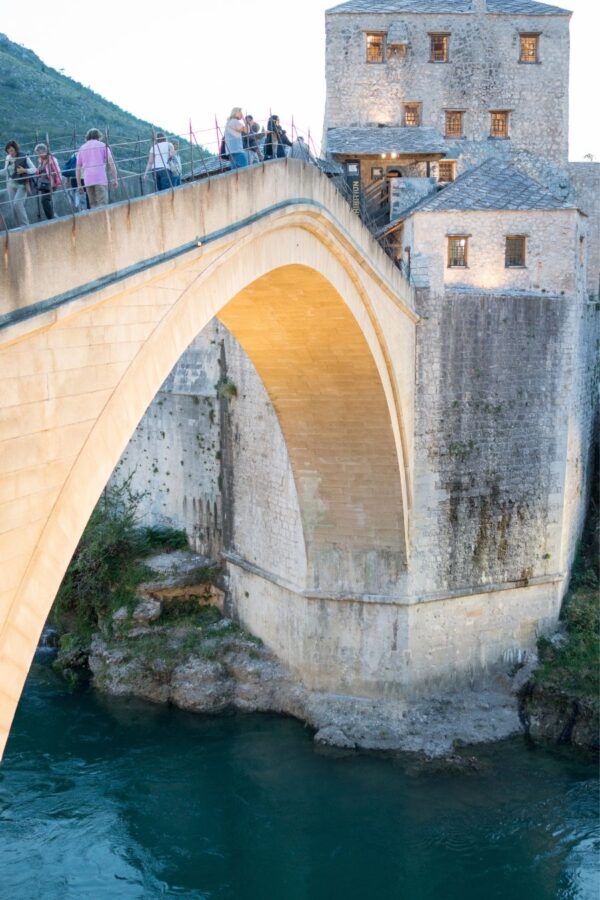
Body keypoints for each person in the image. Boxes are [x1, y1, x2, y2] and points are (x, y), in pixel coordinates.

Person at [76, 128, 118, 208]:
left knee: (93, 205)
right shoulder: (103, 146)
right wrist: (115, 178)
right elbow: (111, 163)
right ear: (98, 136)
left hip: (88, 180)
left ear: (87, 137)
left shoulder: (82, 148)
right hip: (100, 179)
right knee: (102, 205)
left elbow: (78, 167)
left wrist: (79, 185)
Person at [2, 140, 36, 227]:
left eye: (12, 150)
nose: (11, 152)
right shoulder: (8, 157)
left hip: (22, 183)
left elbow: (34, 169)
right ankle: (18, 227)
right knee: (13, 207)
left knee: (17, 204)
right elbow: (5, 171)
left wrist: (24, 170)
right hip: (11, 183)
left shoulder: (23, 156)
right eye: (9, 151)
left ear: (16, 149)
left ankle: (25, 226)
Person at [34, 143, 62, 220]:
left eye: (39, 153)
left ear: (44, 151)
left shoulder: (51, 159)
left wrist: (56, 183)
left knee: (45, 200)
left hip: (51, 183)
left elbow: (57, 171)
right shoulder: (41, 161)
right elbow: (38, 172)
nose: (38, 155)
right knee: (47, 200)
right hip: (44, 184)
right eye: (37, 153)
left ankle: (51, 218)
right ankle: (53, 217)